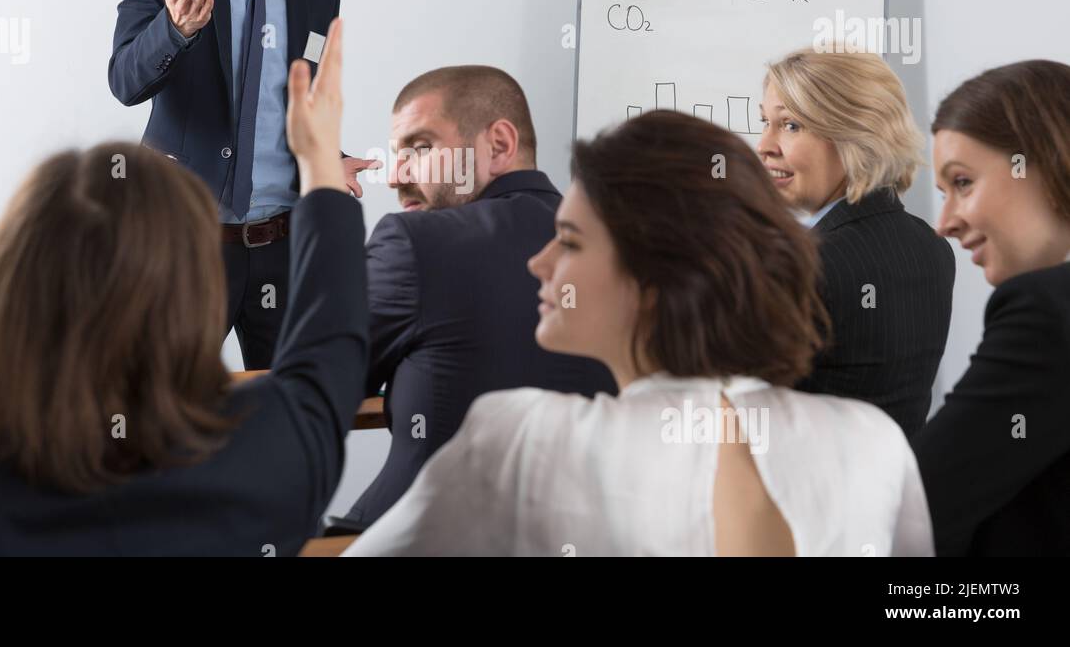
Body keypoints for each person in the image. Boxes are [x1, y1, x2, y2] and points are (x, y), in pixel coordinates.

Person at [0, 20, 366, 557]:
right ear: (198, 298)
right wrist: (318, 166)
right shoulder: (277, 449)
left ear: (3, 296)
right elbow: (329, 347)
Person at [346, 110, 933, 556]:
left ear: (657, 277)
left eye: (571, 241)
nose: (540, 262)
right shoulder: (871, 441)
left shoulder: (523, 438)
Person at [107, 0, 376, 370]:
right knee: (166, 414)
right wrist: (174, 31)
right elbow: (125, 83)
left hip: (280, 246)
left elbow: (292, 103)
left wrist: (331, 159)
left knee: (284, 419)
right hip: (185, 244)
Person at [343, 67, 616, 528]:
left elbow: (323, 381)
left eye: (420, 148)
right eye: (395, 156)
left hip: (419, 534)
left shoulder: (413, 242)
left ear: (499, 146)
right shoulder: (623, 246)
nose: (394, 177)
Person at [912, 59, 1070, 556]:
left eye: (962, 183)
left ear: (1047, 160)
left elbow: (916, 507)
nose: (945, 223)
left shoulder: (1047, 312)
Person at [758, 49, 954, 435]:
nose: (764, 145)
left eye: (791, 125)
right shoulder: (932, 247)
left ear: (854, 136)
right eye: (765, 122)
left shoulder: (802, 262)